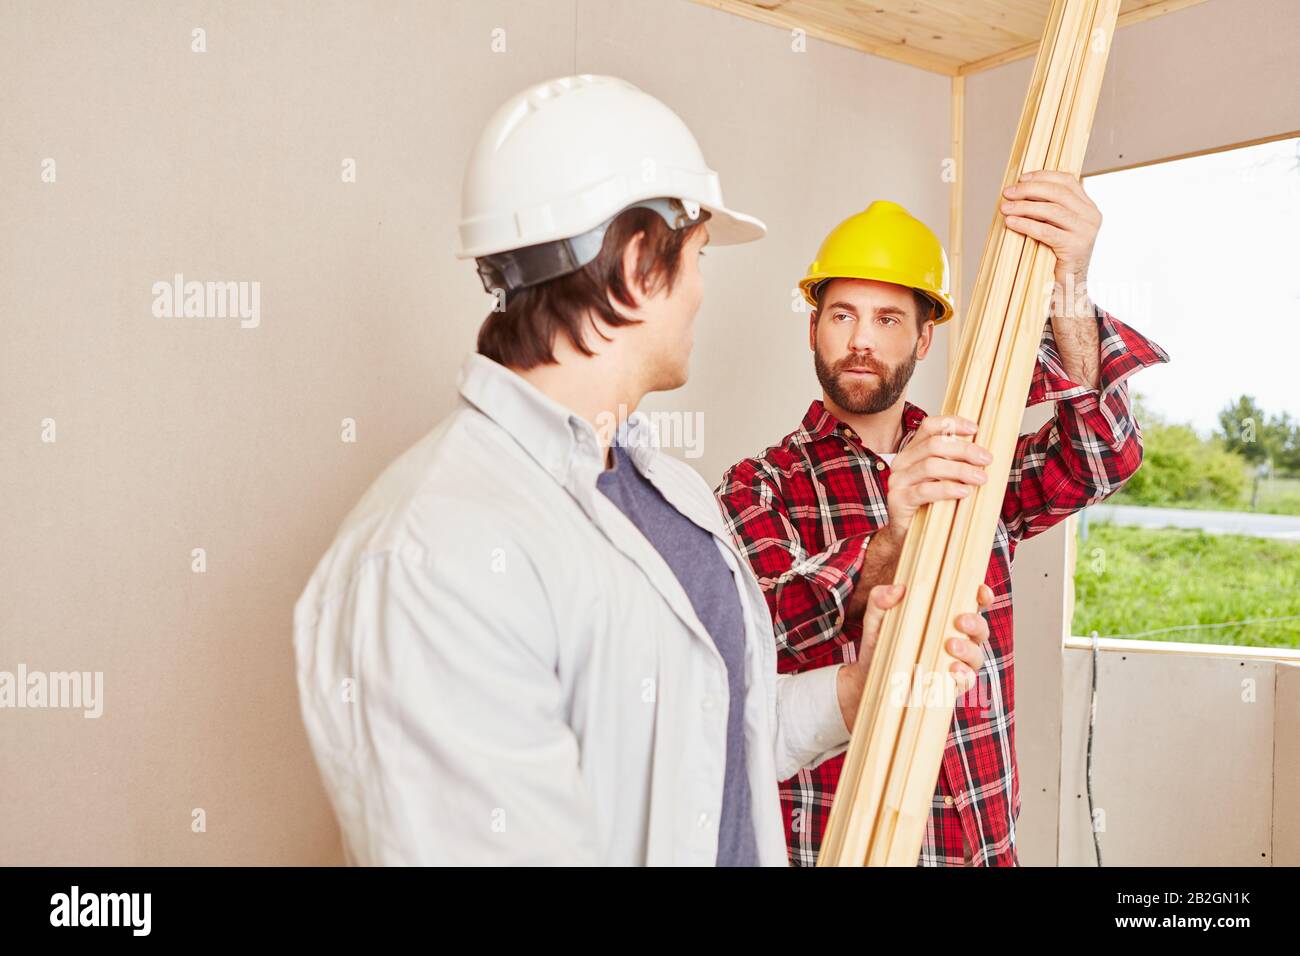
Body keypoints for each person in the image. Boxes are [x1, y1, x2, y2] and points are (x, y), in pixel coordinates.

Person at [292, 75, 991, 865]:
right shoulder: (437, 548)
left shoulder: (670, 497)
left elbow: (710, 752)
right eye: (696, 257)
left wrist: (858, 693)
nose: (701, 291)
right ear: (636, 264)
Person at [716, 194, 1169, 866]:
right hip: (837, 848)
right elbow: (766, 629)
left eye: (888, 318)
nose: (862, 339)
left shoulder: (972, 464)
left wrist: (1069, 288)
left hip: (981, 847)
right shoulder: (758, 484)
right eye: (843, 315)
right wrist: (892, 539)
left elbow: (1101, 457)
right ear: (812, 327)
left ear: (923, 338)